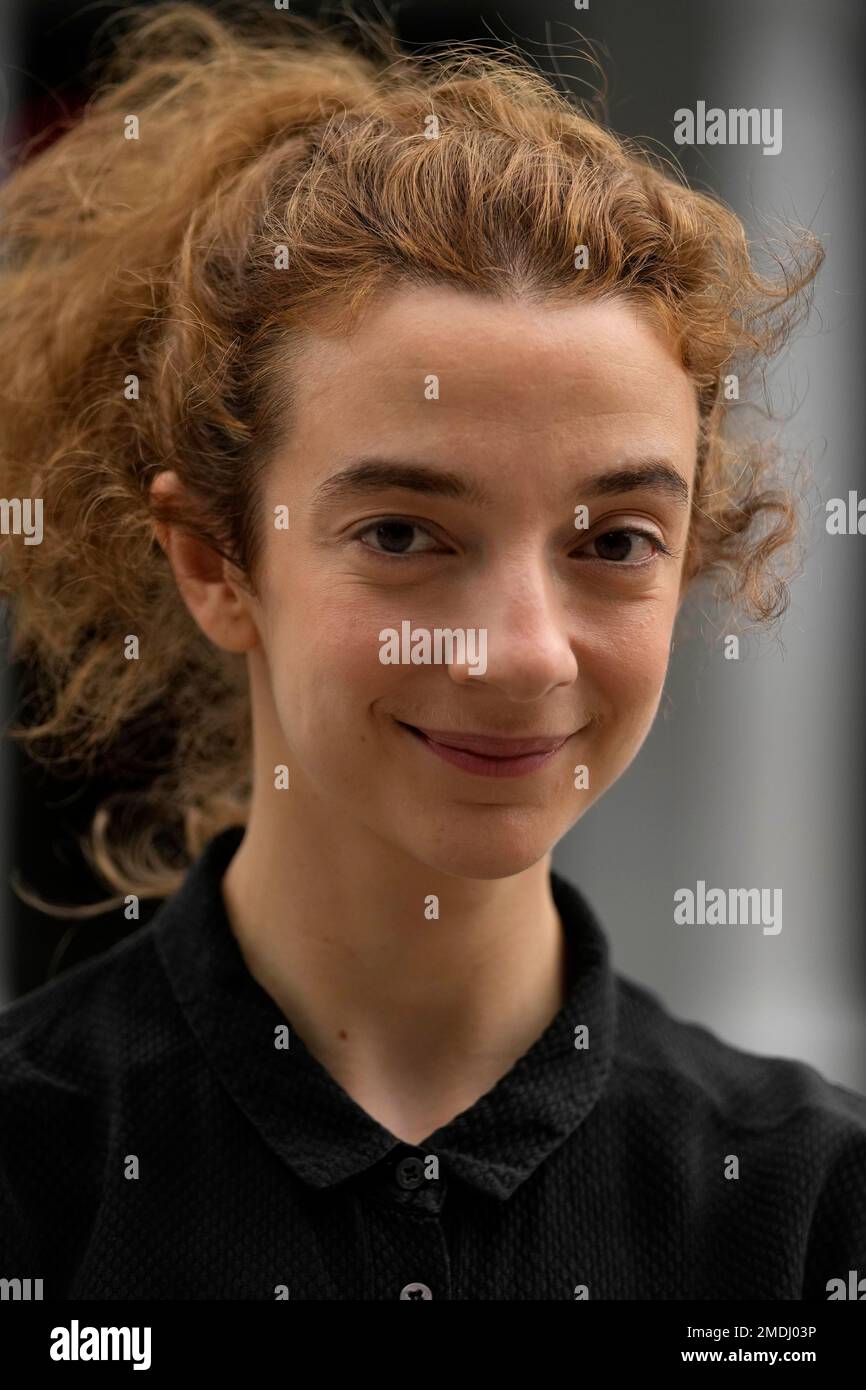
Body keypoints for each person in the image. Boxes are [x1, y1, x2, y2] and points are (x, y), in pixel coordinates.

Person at [0, 1, 863, 1301]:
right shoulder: (33, 1176)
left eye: (614, 540)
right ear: (211, 561)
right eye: (404, 531)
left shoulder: (806, 1206)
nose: (521, 652)